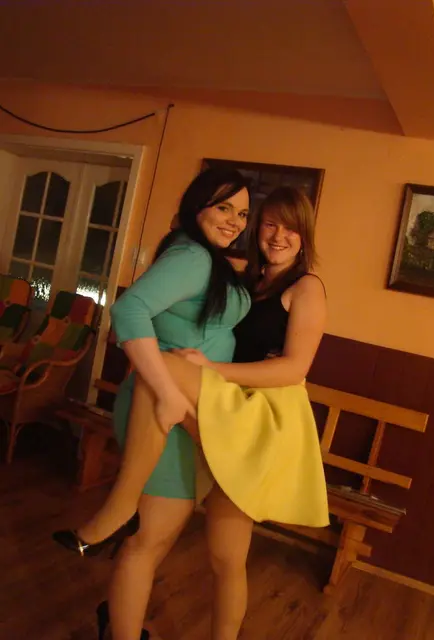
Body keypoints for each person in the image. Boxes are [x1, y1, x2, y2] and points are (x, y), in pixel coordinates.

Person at [55, 185, 328, 640]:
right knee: (160, 373)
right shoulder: (247, 281)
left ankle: (120, 509)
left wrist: (209, 367)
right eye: (270, 224)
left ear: (305, 236)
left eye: (292, 228)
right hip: (220, 406)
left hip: (258, 418)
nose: (279, 236)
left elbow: (294, 369)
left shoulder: (308, 287)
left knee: (227, 559)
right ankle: (122, 516)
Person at [54, 166, 251, 639]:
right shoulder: (193, 256)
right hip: (166, 412)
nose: (235, 221)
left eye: (243, 213)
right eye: (224, 207)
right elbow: (128, 309)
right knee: (147, 541)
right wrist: (166, 393)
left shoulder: (201, 256)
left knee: (154, 540)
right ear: (199, 206)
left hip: (187, 408)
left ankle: (117, 620)